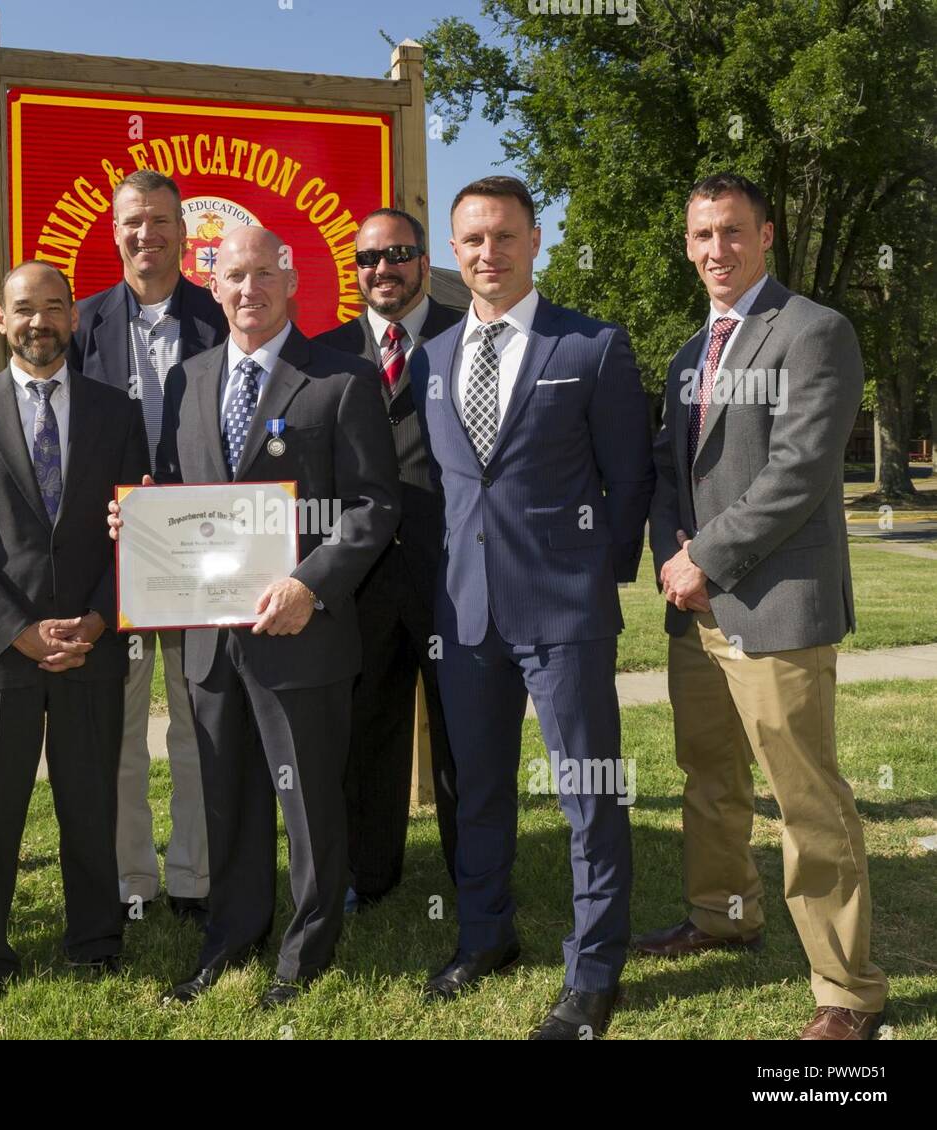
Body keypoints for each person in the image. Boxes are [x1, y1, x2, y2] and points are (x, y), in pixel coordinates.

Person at [110, 225, 400, 1008]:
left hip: (302, 634)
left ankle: (307, 951)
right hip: (210, 645)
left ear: (291, 278)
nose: (249, 289)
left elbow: (375, 507)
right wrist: (136, 526)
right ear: (213, 286)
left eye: (263, 274)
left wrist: (311, 583)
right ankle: (232, 934)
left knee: (308, 799)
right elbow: (175, 491)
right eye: (234, 276)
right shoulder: (190, 379)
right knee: (228, 799)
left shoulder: (341, 380)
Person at [634, 172, 888, 1040]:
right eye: (702, 235)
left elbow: (801, 471)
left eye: (733, 232)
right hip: (694, 610)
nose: (717, 250)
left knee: (806, 798)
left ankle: (847, 991)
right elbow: (671, 471)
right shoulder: (682, 354)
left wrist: (704, 556)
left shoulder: (814, 332)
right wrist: (677, 558)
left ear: (767, 235)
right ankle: (722, 915)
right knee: (710, 780)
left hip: (775, 605)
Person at [410, 176, 654, 1039]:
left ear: (535, 239)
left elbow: (630, 479)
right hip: (466, 618)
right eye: (471, 240)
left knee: (588, 794)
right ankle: (485, 937)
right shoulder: (432, 359)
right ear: (455, 249)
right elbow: (443, 489)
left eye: (504, 236)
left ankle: (593, 972)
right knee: (476, 790)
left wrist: (598, 574)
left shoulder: (591, 346)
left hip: (564, 614)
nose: (488, 253)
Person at [0, 260, 149, 1015]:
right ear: (0, 319)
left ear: (74, 319)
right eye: (25, 308)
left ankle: (94, 941)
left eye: (55, 307)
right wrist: (18, 630)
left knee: (91, 801)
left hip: (90, 642)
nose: (40, 322)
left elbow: (136, 532)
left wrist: (98, 616)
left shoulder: (116, 412)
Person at [71, 169, 227, 922]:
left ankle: (195, 879)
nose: (147, 235)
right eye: (133, 221)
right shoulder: (78, 325)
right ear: (116, 232)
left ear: (182, 233)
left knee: (197, 725)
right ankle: (133, 882)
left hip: (202, 560)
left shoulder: (221, 317)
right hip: (114, 566)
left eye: (161, 221)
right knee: (120, 732)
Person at [313, 207, 461, 910]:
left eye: (398, 254)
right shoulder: (324, 354)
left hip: (454, 573)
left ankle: (475, 873)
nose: (383, 269)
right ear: (355, 270)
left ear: (423, 263)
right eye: (369, 258)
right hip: (361, 580)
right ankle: (367, 876)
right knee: (366, 729)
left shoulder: (469, 340)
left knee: (464, 730)